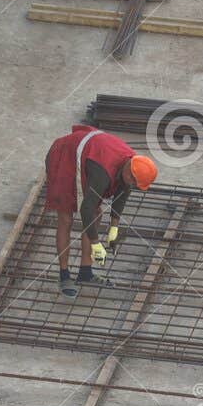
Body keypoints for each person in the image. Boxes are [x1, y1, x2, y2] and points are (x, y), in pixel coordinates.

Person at [43, 125, 158, 298]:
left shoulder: (132, 165)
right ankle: (64, 275)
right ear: (129, 171)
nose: (133, 186)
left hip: (87, 155)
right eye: (133, 182)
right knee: (66, 218)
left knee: (96, 215)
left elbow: (122, 193)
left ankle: (85, 272)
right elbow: (86, 209)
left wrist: (114, 228)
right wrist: (96, 244)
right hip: (64, 157)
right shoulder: (102, 172)